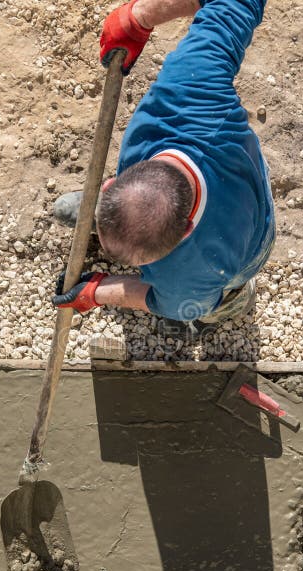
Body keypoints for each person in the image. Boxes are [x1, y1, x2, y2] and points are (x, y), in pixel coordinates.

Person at [52, 0, 274, 330]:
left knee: (207, 304)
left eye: (144, 264)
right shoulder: (191, 89)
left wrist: (98, 291)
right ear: (110, 186)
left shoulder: (197, 269)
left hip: (245, 247)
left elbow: (166, 303)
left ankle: (234, 300)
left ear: (186, 231)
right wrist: (139, 17)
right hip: (216, 176)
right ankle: (127, 221)